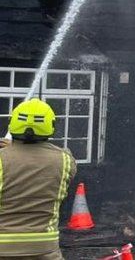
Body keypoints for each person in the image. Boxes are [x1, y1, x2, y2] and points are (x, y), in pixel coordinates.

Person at [0, 99, 77, 260]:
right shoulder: (65, 160)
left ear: (12, 122)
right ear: (51, 126)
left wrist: (10, 149)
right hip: (46, 250)